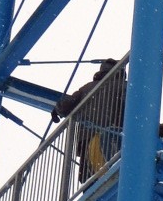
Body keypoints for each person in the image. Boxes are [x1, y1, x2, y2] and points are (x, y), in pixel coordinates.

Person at [51, 58, 127, 186]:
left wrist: (56, 110)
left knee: (89, 179)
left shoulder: (87, 88)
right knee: (118, 172)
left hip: (87, 138)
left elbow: (66, 106)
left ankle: (91, 191)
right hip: (114, 138)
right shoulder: (125, 86)